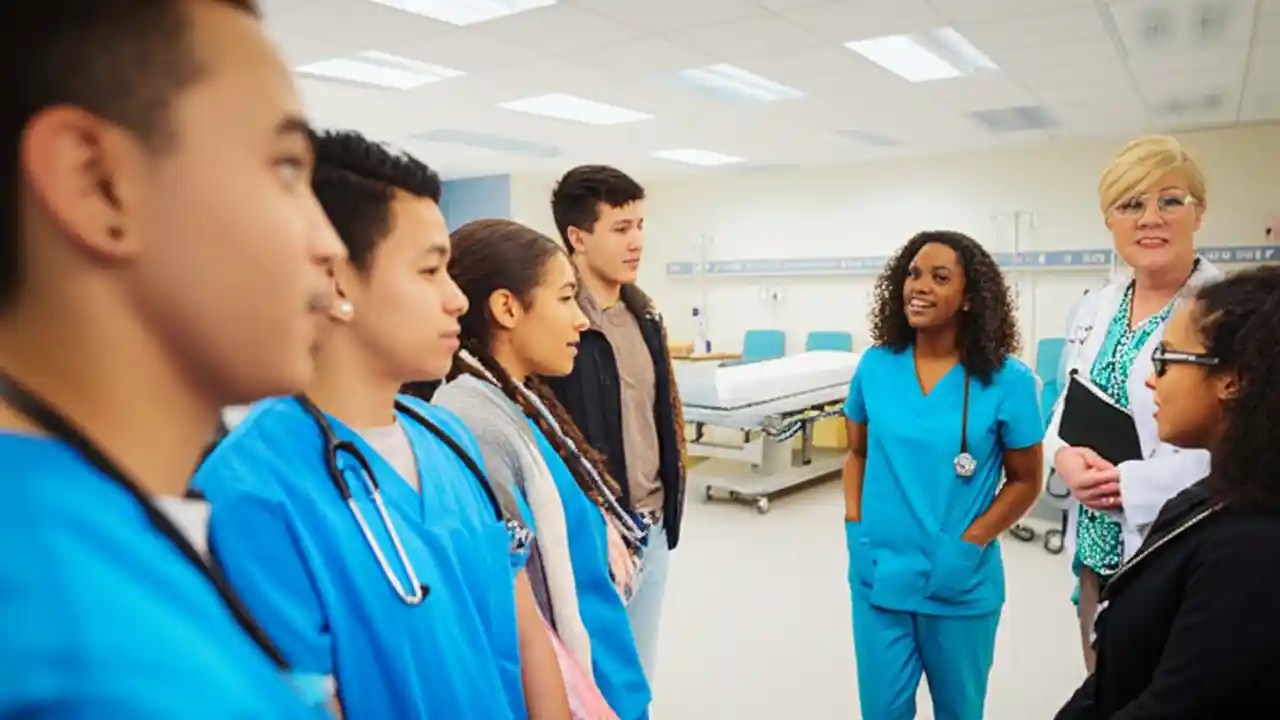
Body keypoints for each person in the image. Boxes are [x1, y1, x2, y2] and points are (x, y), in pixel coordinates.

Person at [0, 0, 346, 716]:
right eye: (285, 167)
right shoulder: (71, 652)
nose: (329, 245)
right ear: (99, 185)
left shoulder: (95, 527)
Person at [192, 131, 570, 719]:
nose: (457, 300)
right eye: (429, 271)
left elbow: (525, 636)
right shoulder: (250, 493)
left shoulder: (448, 438)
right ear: (336, 279)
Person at [430, 219, 652, 720]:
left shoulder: (522, 402)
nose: (581, 320)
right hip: (569, 694)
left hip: (606, 678)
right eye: (566, 297)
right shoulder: (474, 420)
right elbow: (513, 612)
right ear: (507, 307)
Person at [1056, 266, 1280, 719]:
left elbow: (1177, 705)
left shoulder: (1254, 550)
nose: (1150, 380)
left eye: (1167, 359)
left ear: (1232, 380)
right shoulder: (1204, 500)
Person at [843, 230, 1044, 720]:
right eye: (912, 274)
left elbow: (1025, 481)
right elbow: (856, 453)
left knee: (959, 711)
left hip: (960, 580)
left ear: (971, 297)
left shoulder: (1008, 381)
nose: (920, 285)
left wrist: (971, 543)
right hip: (879, 575)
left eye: (939, 276)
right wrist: (855, 529)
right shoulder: (875, 366)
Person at [1043, 135, 1221, 672]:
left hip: (1186, 543)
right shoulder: (1093, 309)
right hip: (1096, 549)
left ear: (1199, 212)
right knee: (1104, 684)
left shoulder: (1229, 313)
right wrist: (1062, 456)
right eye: (1130, 204)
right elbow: (1066, 404)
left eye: (1170, 200)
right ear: (1109, 222)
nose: (1150, 218)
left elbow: (1250, 441)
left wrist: (1134, 486)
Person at [544, 165, 685, 683]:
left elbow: (658, 419)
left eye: (641, 225)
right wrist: (592, 516)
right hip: (591, 535)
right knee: (586, 683)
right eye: (621, 229)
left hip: (651, 525)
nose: (637, 242)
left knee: (636, 680)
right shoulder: (557, 324)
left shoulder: (644, 318)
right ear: (577, 238)